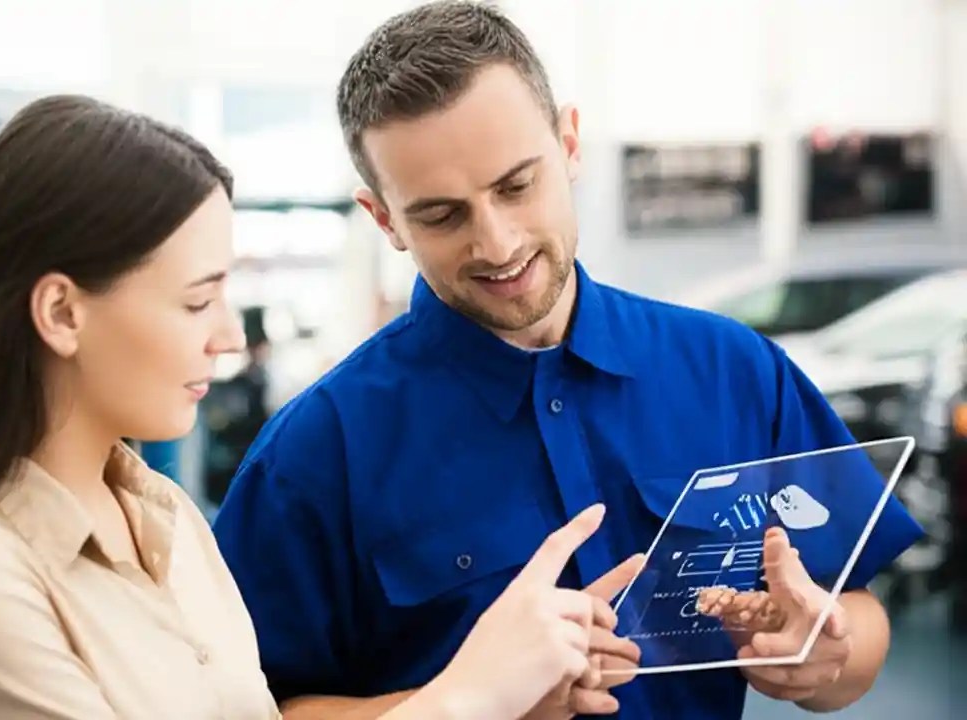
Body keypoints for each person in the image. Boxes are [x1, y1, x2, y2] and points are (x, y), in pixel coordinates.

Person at [211, 2, 925, 719]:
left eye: (516, 186)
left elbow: (857, 615)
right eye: (441, 215)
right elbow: (258, 710)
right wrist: (474, 705)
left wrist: (825, 656)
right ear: (384, 219)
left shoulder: (734, 371)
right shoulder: (313, 455)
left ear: (570, 142)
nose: (496, 242)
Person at [0, 93, 640, 720]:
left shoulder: (170, 523)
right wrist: (466, 695)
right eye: (196, 302)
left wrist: (498, 698)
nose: (227, 339)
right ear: (62, 313)